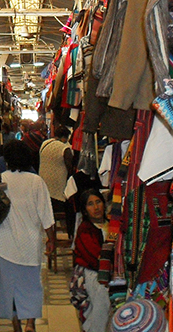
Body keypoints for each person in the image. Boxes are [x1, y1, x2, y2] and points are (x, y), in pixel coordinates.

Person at [0, 140, 55, 332]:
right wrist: (51, 240)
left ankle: (16, 323)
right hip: (31, 244)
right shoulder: (37, 182)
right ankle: (30, 323)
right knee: (31, 285)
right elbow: (46, 214)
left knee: (9, 286)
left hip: (4, 245)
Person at [70, 189, 110, 332]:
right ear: (85, 210)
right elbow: (94, 258)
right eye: (90, 204)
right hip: (94, 275)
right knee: (100, 311)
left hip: (111, 274)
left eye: (98, 202)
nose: (96, 207)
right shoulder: (85, 230)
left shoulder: (112, 225)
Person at [38, 125, 75, 237]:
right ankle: (71, 233)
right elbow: (70, 168)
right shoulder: (64, 148)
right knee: (71, 205)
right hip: (58, 193)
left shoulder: (45, 144)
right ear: (65, 137)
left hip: (43, 188)